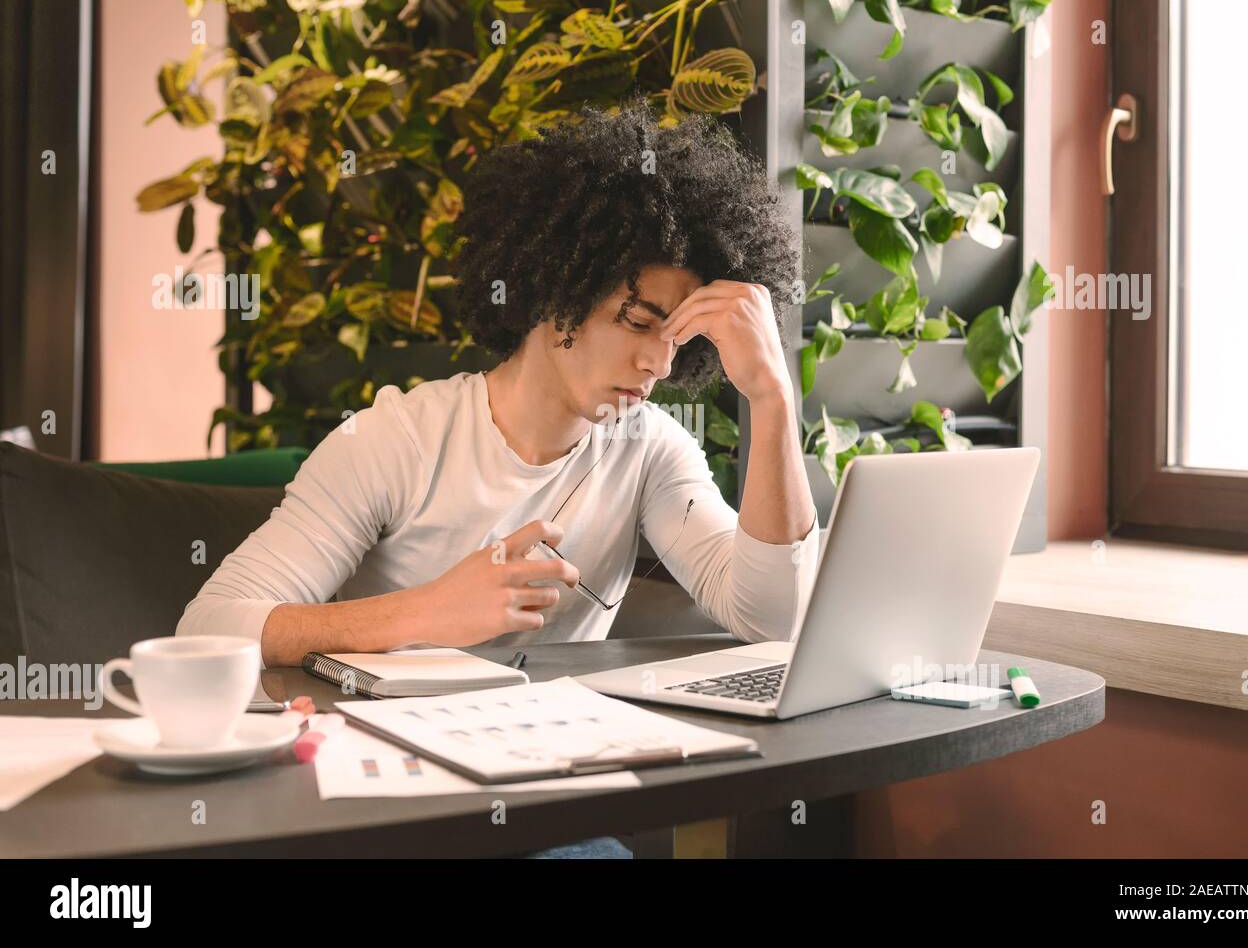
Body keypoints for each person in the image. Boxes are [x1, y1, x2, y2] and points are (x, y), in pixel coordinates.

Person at [177, 94, 820, 857]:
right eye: (639, 321)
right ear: (558, 295)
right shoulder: (398, 439)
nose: (658, 363)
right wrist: (426, 612)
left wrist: (772, 397)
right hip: (384, 807)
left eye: (678, 338)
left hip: (543, 799)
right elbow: (210, 626)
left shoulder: (651, 450)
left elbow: (774, 617)